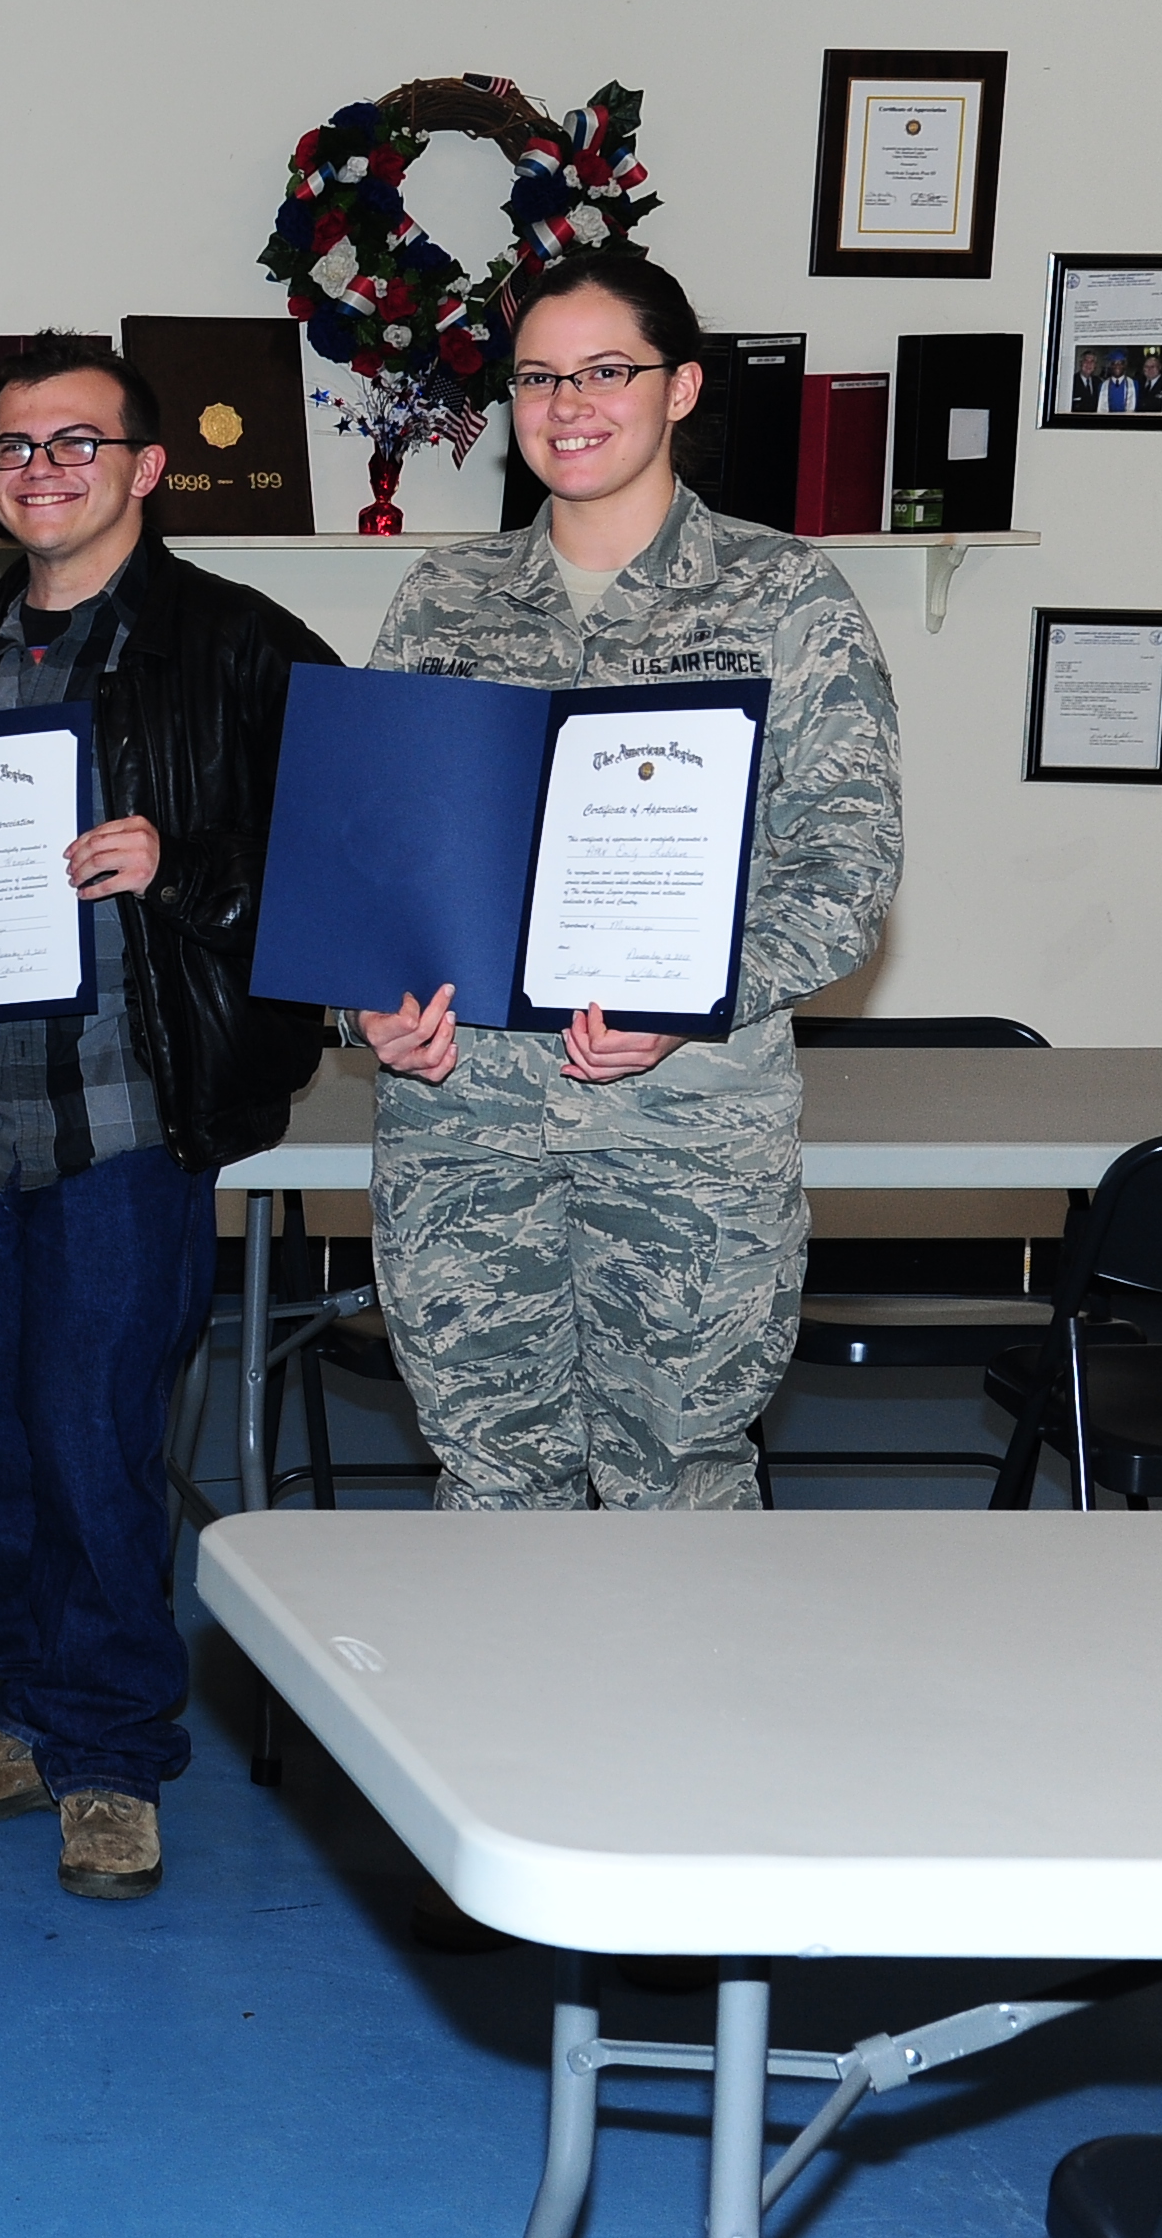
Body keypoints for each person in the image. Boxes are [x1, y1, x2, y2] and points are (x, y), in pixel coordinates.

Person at [0, 339, 335, 1900]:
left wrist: (181, 863)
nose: (40, 470)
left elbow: (341, 879)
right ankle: (25, 1711)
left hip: (130, 1120)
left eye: (78, 444)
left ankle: (115, 1759)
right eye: (10, 448)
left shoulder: (249, 648)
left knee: (95, 1437)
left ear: (147, 467)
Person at [353, 249, 900, 1515]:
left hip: (683, 1135)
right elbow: (376, 853)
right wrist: (366, 1002)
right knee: (492, 1486)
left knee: (682, 1491)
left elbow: (845, 865)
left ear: (681, 388)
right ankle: (487, 1727)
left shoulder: (782, 597)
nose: (567, 403)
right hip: (461, 1131)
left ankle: (692, 1726)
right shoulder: (442, 601)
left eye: (607, 371)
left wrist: (689, 993)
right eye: (537, 376)